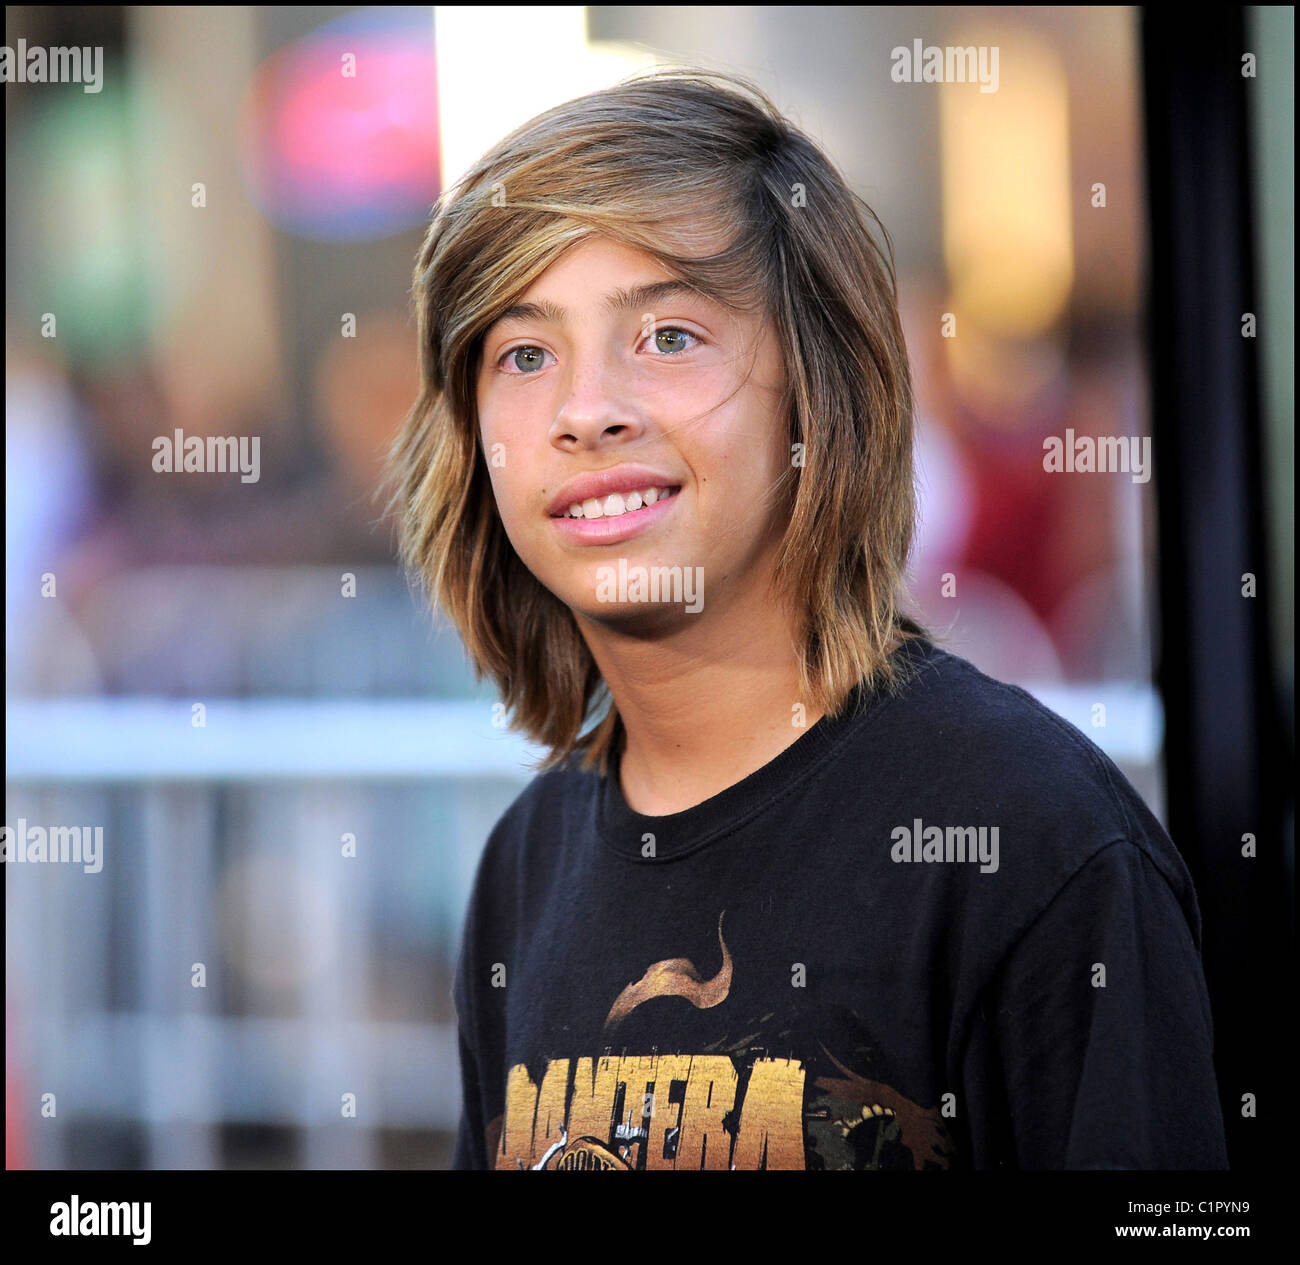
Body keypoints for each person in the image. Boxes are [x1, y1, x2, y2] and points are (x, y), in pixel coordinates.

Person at [388, 67, 1228, 1171]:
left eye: (669, 335)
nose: (586, 410)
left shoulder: (1033, 841)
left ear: (817, 385)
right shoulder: (523, 867)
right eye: (524, 353)